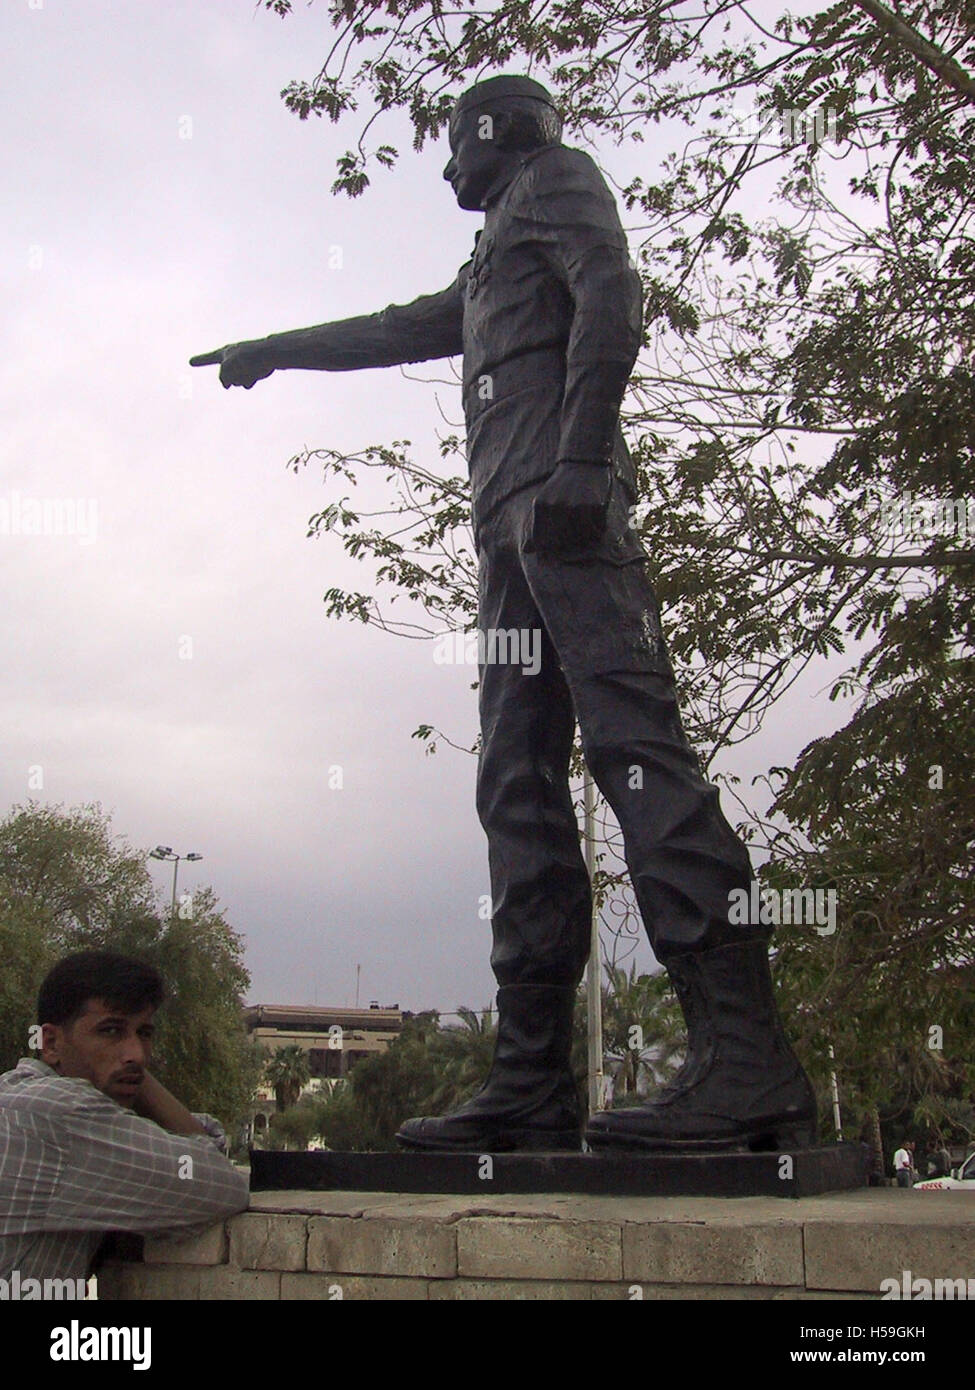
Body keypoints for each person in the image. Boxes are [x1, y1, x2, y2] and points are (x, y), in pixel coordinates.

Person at [191, 74, 816, 1154]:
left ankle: (747, 1060)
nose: (445, 169)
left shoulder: (554, 180)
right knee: (515, 785)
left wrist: (579, 458)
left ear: (500, 132)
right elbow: (397, 326)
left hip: (564, 508)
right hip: (506, 529)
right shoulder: (490, 255)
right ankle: (531, 1081)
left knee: (636, 752)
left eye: (453, 145)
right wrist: (278, 346)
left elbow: (612, 292)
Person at [0, 951, 250, 1285]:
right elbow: (220, 1187)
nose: (138, 1054)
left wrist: (121, 1068)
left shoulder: (17, 1097)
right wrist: (131, 1074)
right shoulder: (63, 1112)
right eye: (111, 1031)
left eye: (144, 1033)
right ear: (51, 1043)